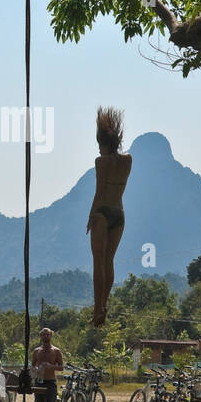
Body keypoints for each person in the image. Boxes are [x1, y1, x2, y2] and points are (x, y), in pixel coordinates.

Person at [87, 107, 131, 326]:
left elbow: (98, 192)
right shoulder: (127, 160)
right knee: (109, 260)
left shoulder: (101, 162)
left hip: (103, 213)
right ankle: (105, 303)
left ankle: (97, 309)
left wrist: (91, 216)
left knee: (98, 262)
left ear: (103, 143)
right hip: (120, 214)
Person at [31, 327, 64, 402]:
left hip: (51, 382)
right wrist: (35, 369)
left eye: (48, 334)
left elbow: (61, 367)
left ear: (51, 335)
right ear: (40, 336)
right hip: (39, 382)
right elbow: (32, 365)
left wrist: (51, 366)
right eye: (43, 334)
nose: (46, 336)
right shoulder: (37, 351)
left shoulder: (56, 351)